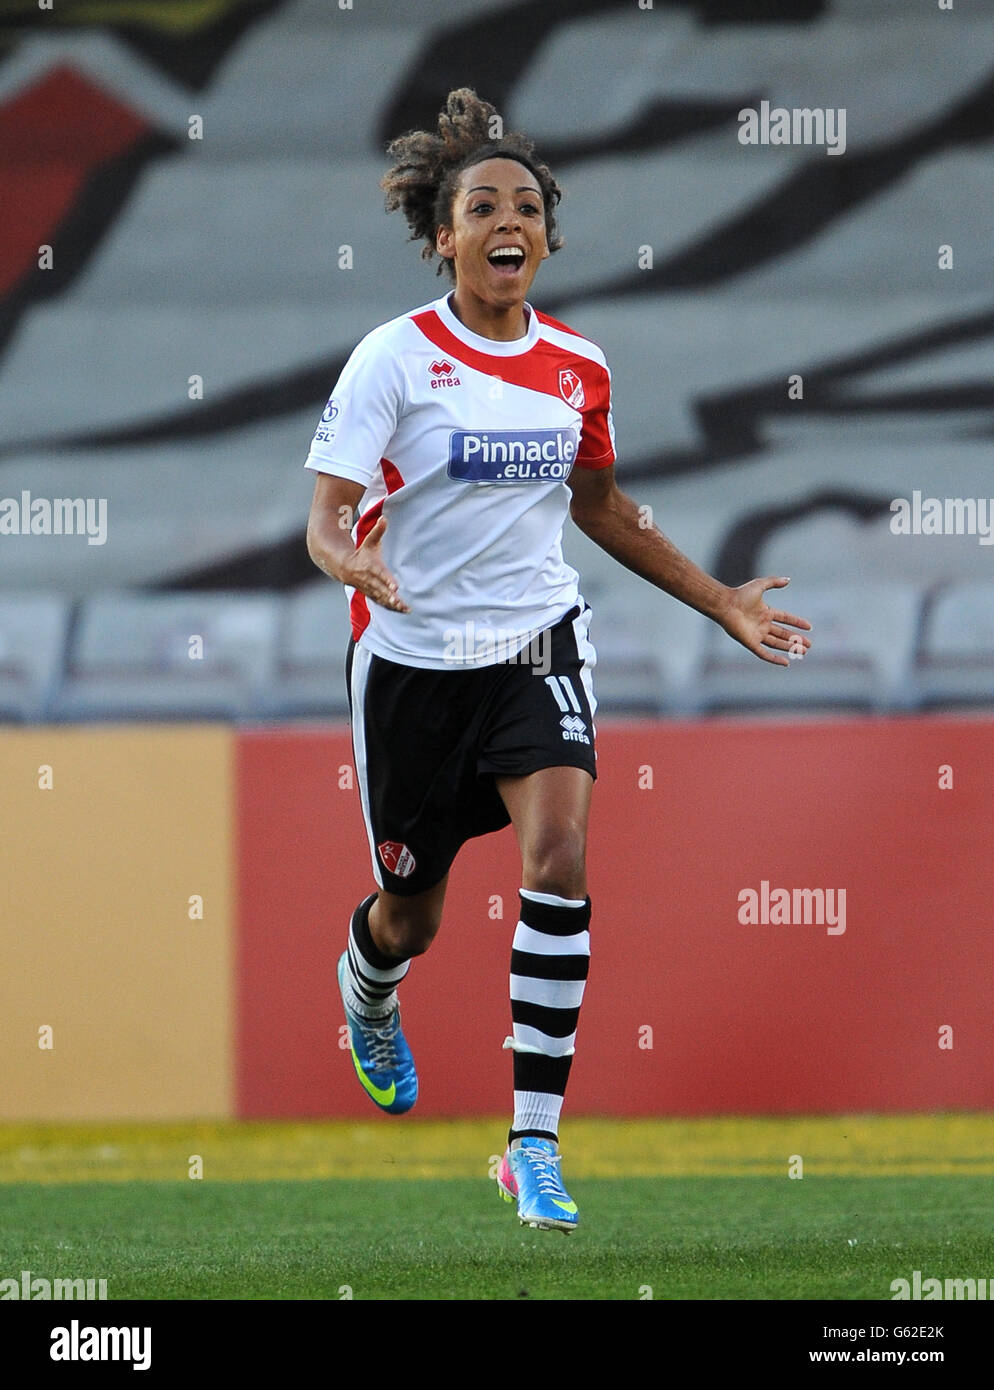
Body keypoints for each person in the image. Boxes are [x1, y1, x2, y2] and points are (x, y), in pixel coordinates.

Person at [304, 88, 812, 1233]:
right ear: (444, 236)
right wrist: (350, 564)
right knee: (411, 912)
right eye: (480, 203)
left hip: (538, 642)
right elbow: (325, 518)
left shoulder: (577, 365)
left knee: (561, 852)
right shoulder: (392, 359)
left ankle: (531, 1143)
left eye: (525, 205)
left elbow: (603, 508)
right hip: (413, 667)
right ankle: (370, 987)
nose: (506, 219)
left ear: (545, 236)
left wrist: (720, 599)